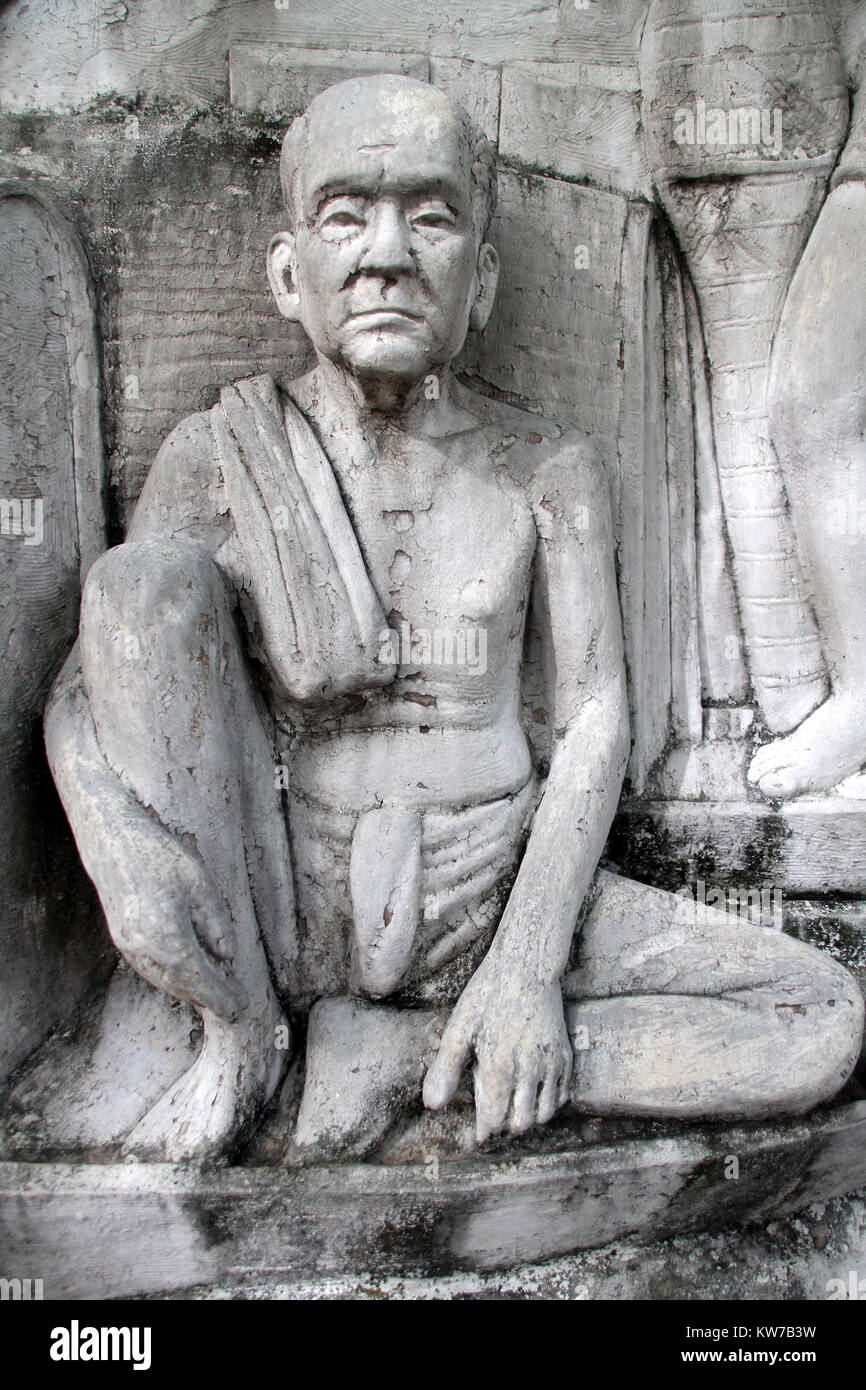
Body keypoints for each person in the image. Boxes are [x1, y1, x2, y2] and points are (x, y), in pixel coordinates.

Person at [45, 75, 864, 1162]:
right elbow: (97, 679)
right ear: (290, 275)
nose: (385, 253)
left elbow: (589, 720)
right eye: (345, 214)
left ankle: (405, 1057)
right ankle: (245, 1037)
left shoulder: (544, 470)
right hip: (283, 907)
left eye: (428, 216)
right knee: (139, 582)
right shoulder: (224, 453)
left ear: (478, 281)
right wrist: (128, 860)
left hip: (492, 887)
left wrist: (526, 961)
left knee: (815, 1023)